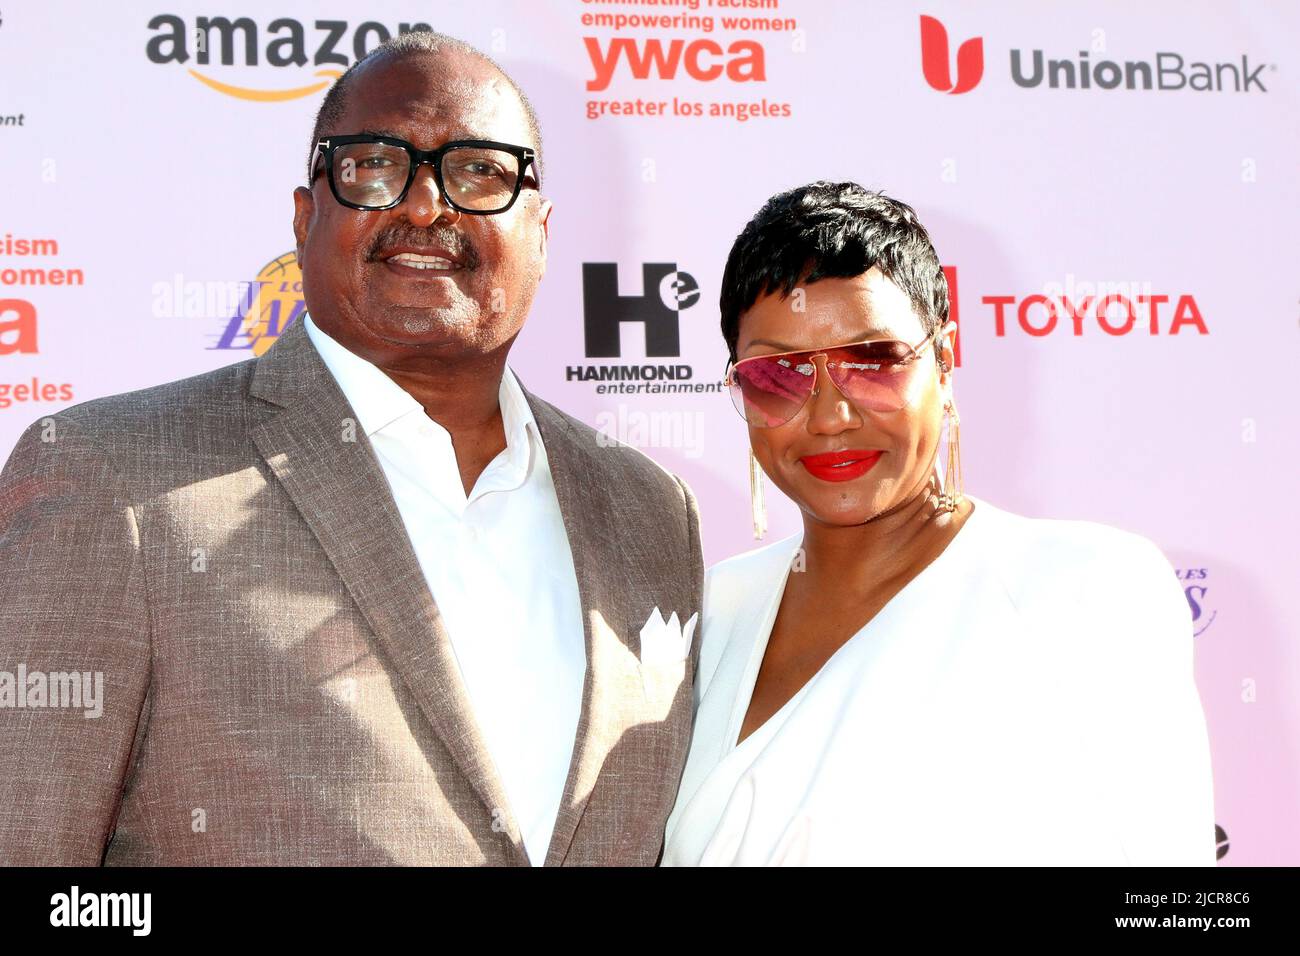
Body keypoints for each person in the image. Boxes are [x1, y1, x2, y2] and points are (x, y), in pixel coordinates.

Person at [0, 30, 703, 866]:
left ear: (543, 232)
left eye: (478, 170)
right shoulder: (113, 474)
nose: (423, 206)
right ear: (305, 218)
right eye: (374, 165)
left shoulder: (650, 509)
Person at [661, 182, 1216, 866]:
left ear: (945, 361)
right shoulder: (706, 615)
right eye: (780, 374)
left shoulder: (1084, 589)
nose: (831, 414)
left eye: (873, 362)